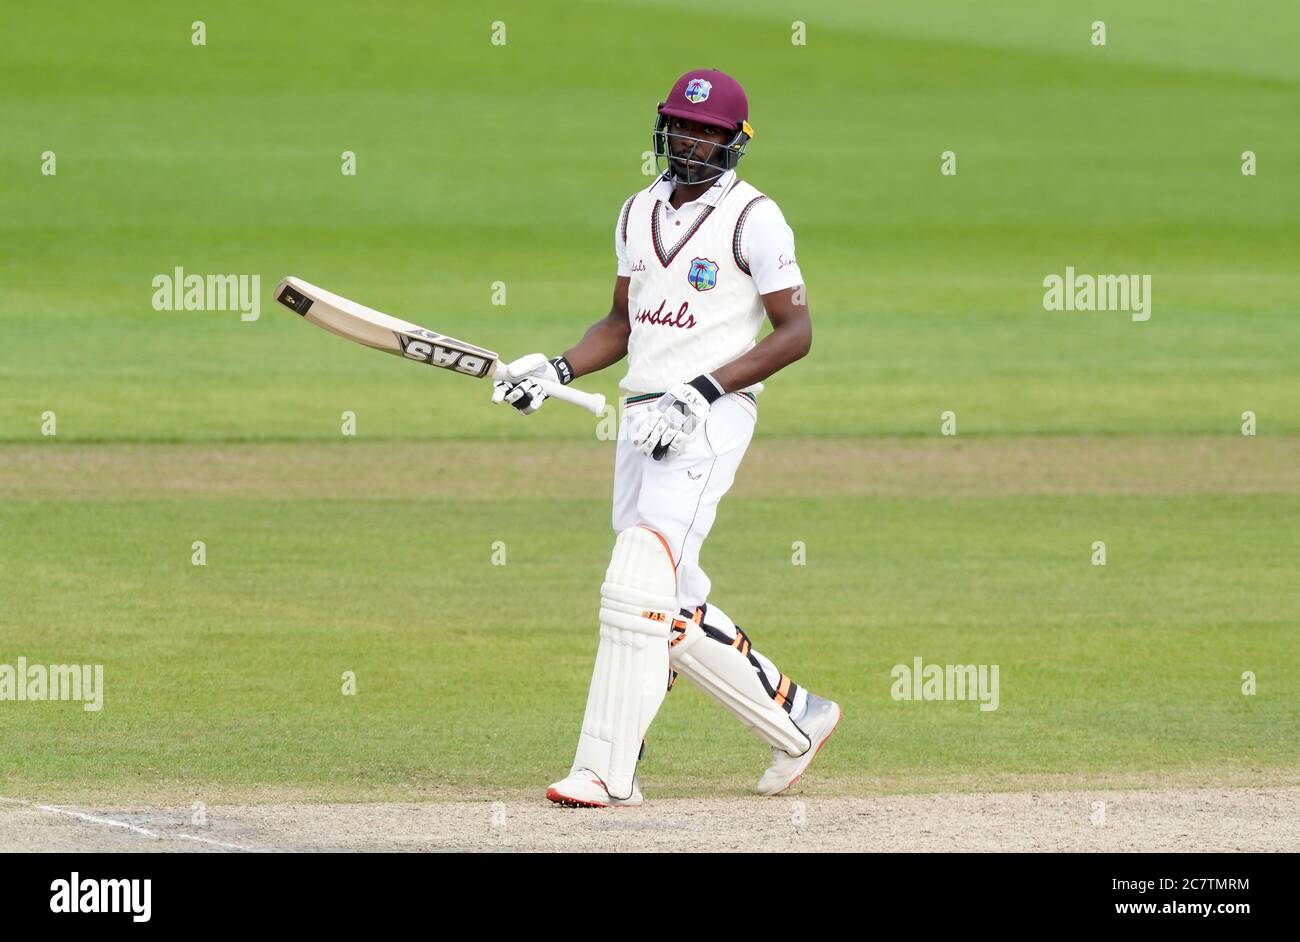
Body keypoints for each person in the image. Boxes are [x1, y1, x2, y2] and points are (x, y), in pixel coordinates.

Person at [492, 68, 840, 807]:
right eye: (682, 126)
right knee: (667, 600)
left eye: (708, 132)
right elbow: (619, 326)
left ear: (735, 142)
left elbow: (797, 333)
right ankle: (795, 716)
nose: (691, 140)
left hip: (713, 412)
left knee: (637, 579)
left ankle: (605, 768)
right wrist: (554, 369)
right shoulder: (636, 210)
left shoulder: (755, 220)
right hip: (640, 413)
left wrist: (702, 390)